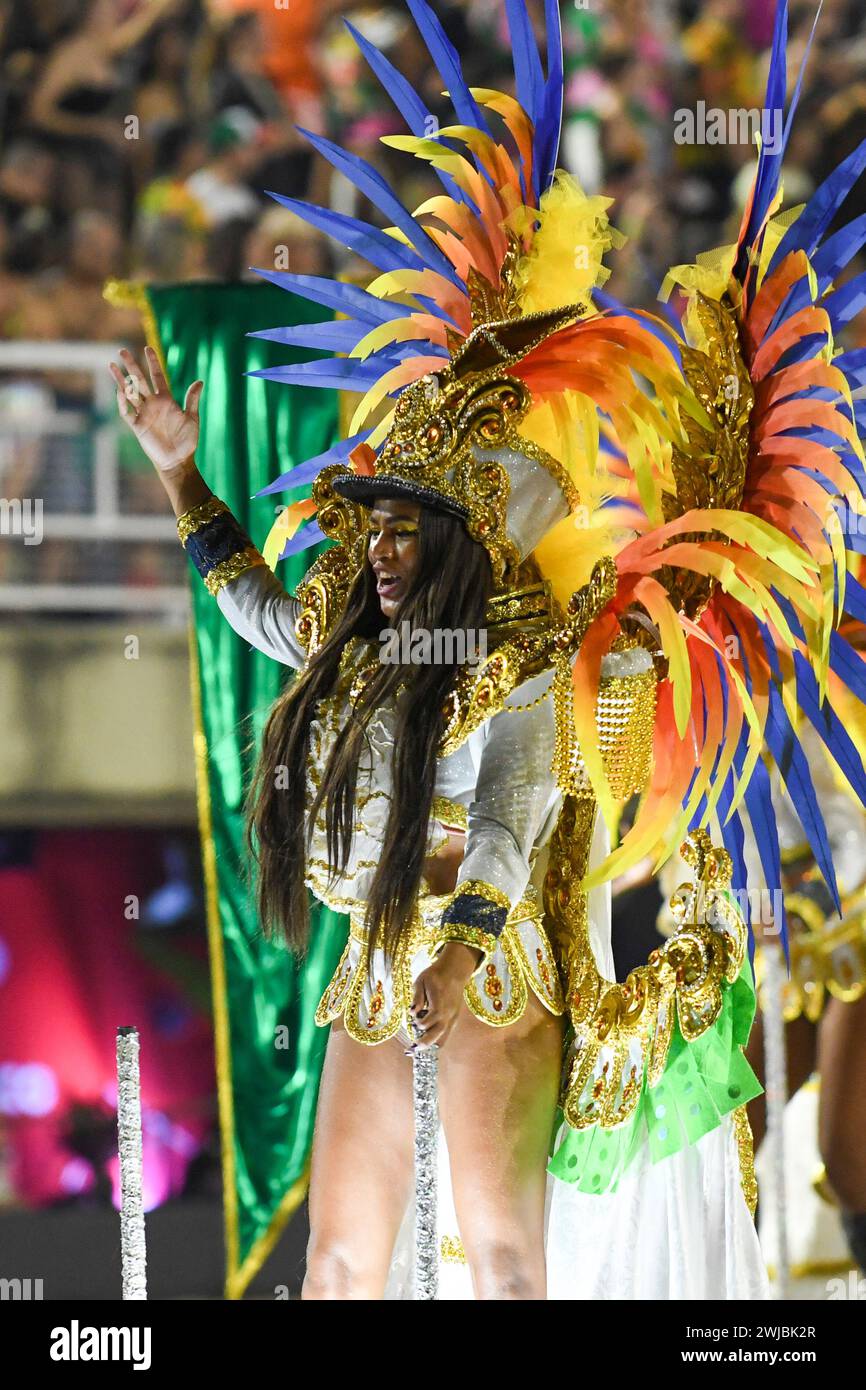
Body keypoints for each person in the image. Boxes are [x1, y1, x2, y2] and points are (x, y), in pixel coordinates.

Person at [108, 0, 866, 1301]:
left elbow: (509, 830)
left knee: (507, 1266)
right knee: (342, 1268)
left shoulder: (515, 663)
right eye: (371, 531)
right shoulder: (353, 640)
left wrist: (453, 961)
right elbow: (254, 606)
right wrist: (182, 480)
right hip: (376, 953)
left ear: (456, 549)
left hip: (488, 960)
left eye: (402, 536)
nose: (376, 554)